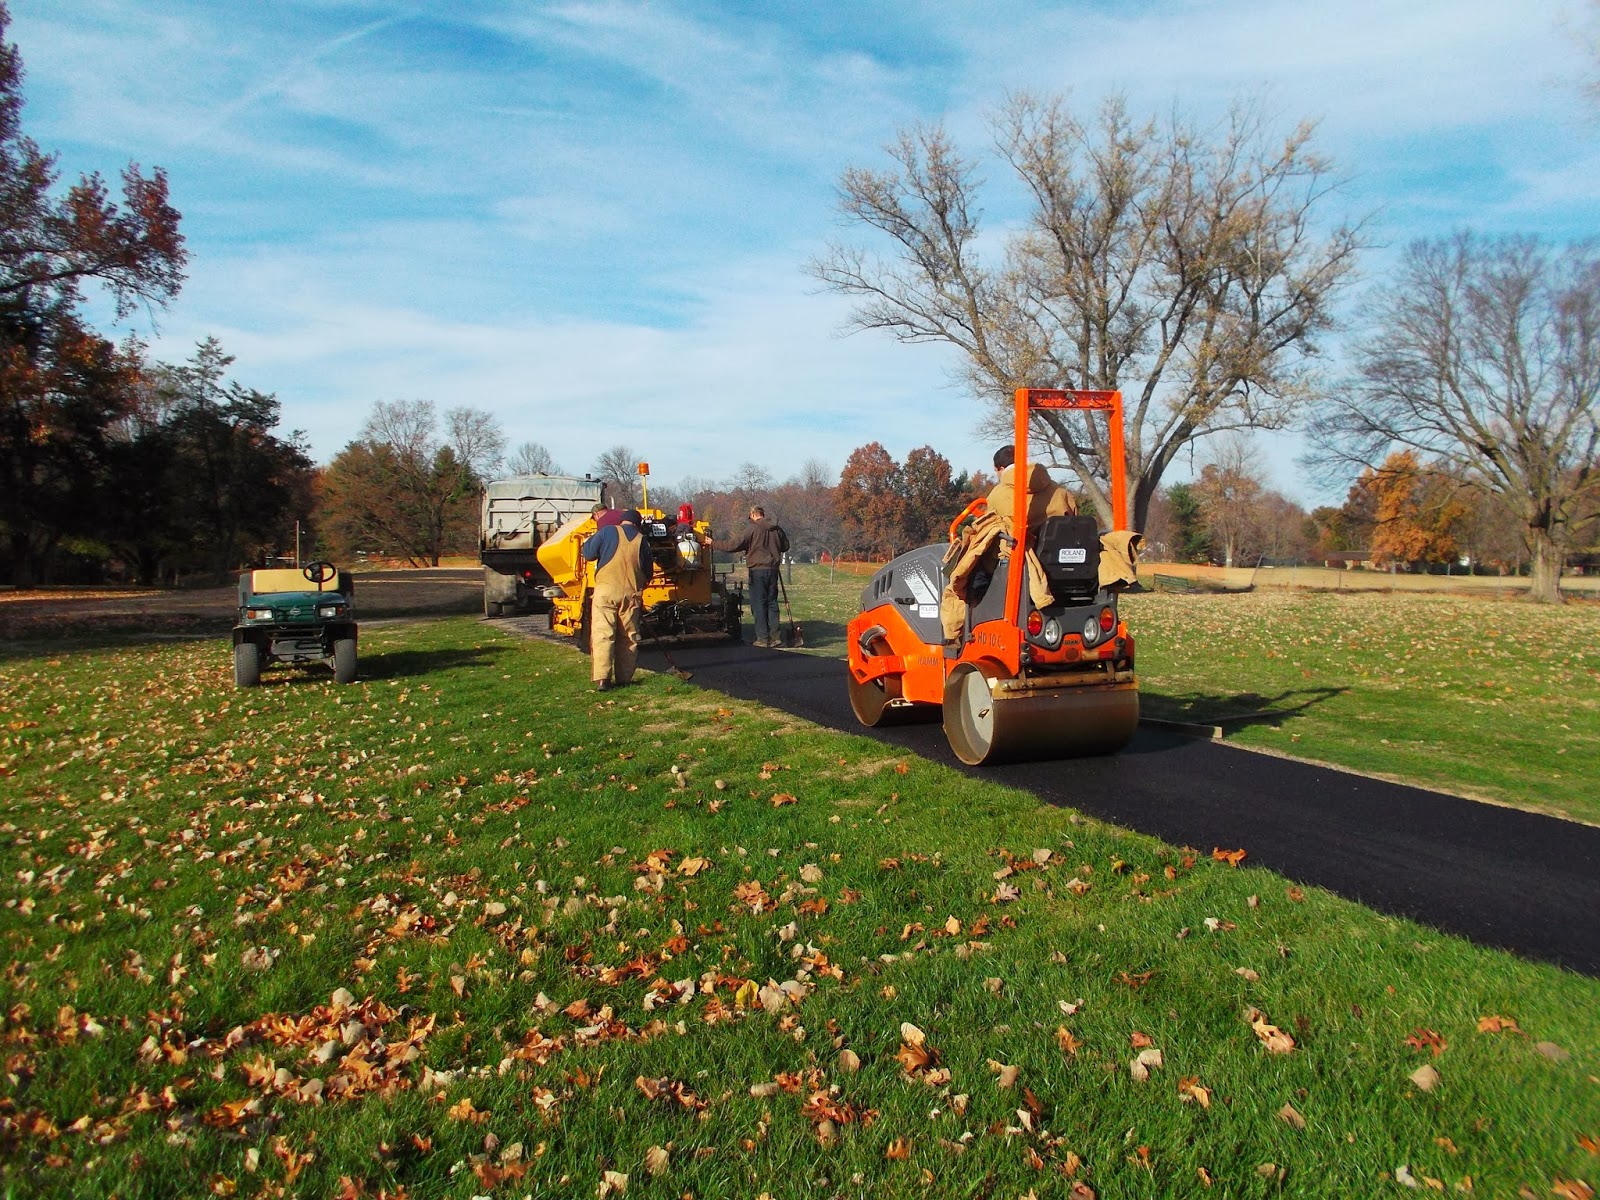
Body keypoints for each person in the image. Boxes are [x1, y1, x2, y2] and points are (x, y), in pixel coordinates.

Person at [581, 508, 653, 691]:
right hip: (631, 595)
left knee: (603, 634)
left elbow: (588, 553)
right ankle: (624, 679)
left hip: (606, 593)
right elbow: (648, 572)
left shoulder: (607, 531)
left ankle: (602, 679)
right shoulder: (642, 540)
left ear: (622, 521)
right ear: (637, 524)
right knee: (628, 637)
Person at [715, 505, 789, 647]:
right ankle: (776, 637)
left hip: (757, 570)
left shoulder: (753, 529)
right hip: (773, 569)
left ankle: (763, 638)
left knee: (758, 603)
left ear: (753, 514)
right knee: (772, 602)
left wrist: (713, 543)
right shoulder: (777, 528)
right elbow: (785, 546)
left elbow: (733, 545)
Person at [984, 444, 1075, 535]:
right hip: (1061, 542)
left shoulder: (996, 495)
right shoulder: (1061, 493)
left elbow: (987, 529)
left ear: (1002, 469)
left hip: (1019, 543)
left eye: (996, 471)